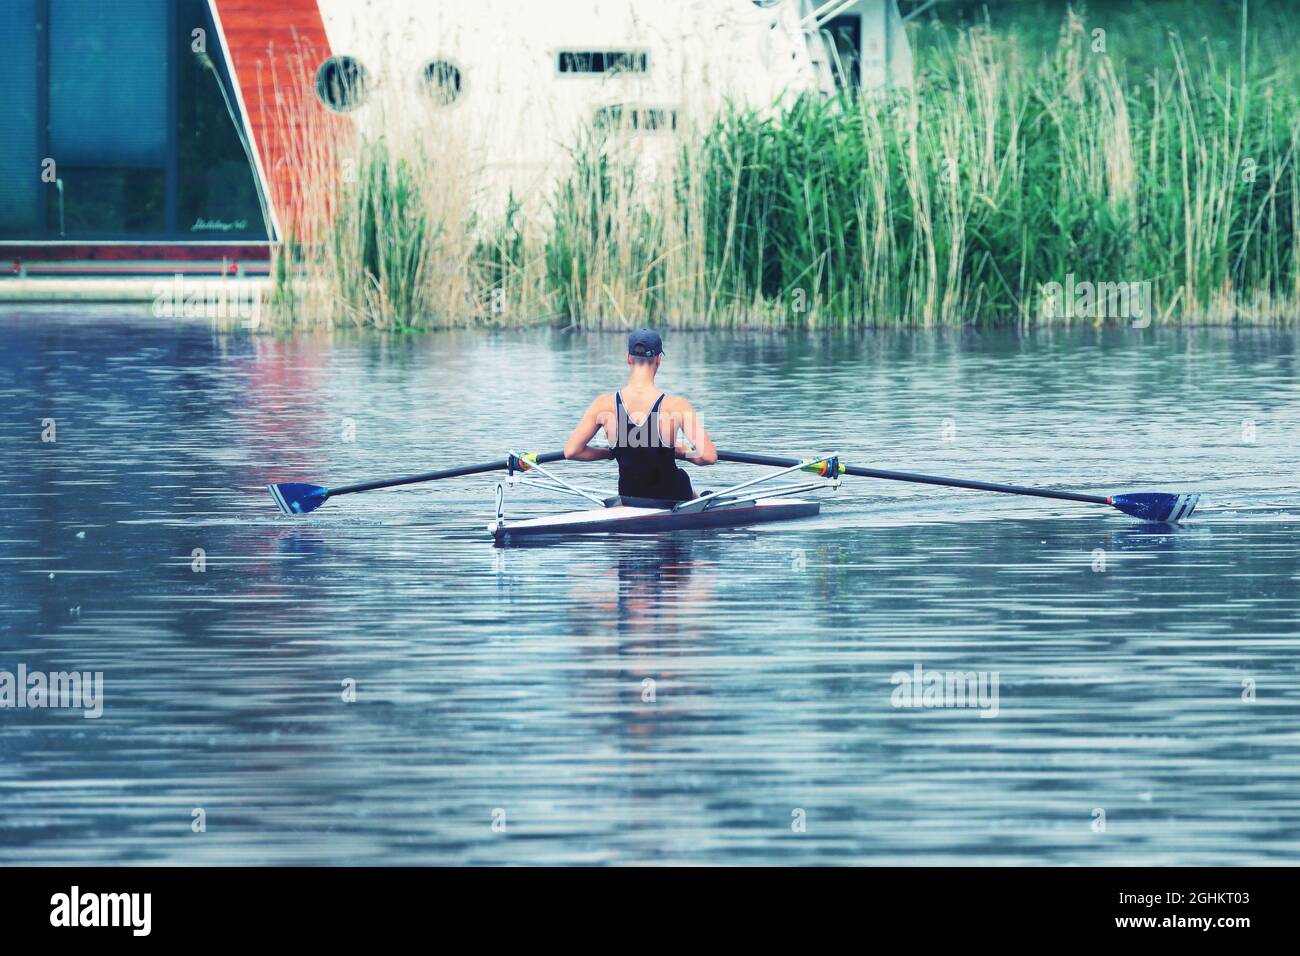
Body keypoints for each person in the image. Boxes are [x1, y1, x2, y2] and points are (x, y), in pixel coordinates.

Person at [563, 329, 716, 501]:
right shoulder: (676, 406)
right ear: (658, 359)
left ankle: (699, 497)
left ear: (628, 358)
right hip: (672, 496)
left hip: (629, 495)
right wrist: (679, 452)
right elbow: (708, 457)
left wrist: (611, 453)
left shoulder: (603, 404)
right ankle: (701, 499)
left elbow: (572, 451)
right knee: (688, 484)